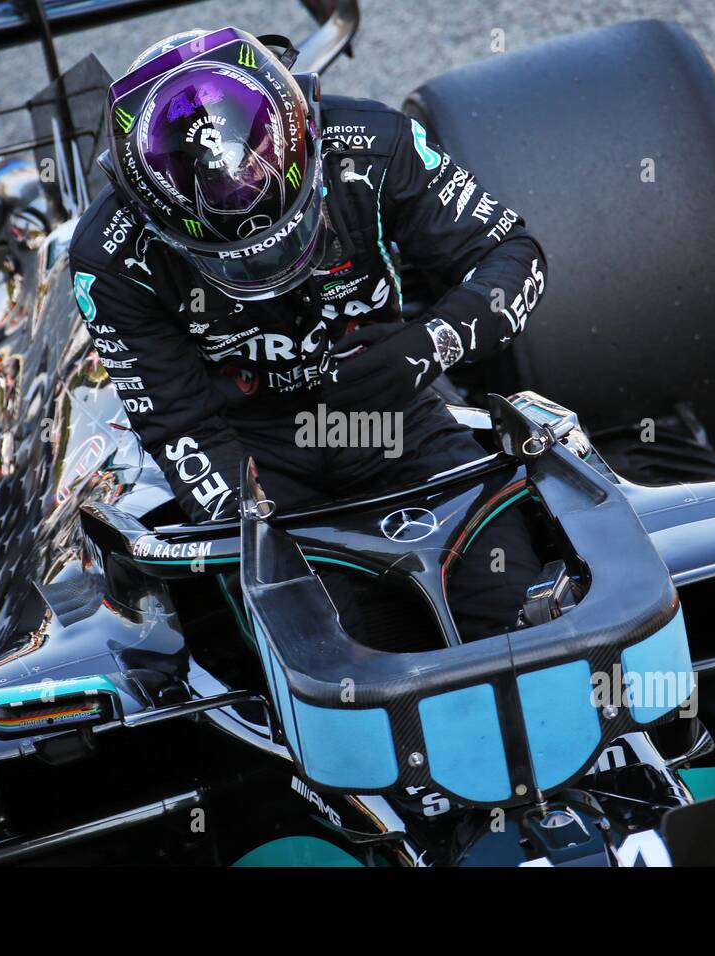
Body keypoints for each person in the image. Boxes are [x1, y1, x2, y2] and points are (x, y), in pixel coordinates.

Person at [69, 27, 547, 638]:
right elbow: (178, 424)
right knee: (327, 647)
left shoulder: (373, 143)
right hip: (253, 456)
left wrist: (431, 344)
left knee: (517, 612)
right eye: (238, 257)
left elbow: (512, 252)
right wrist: (253, 523)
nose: (266, 270)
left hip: (397, 423)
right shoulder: (110, 260)